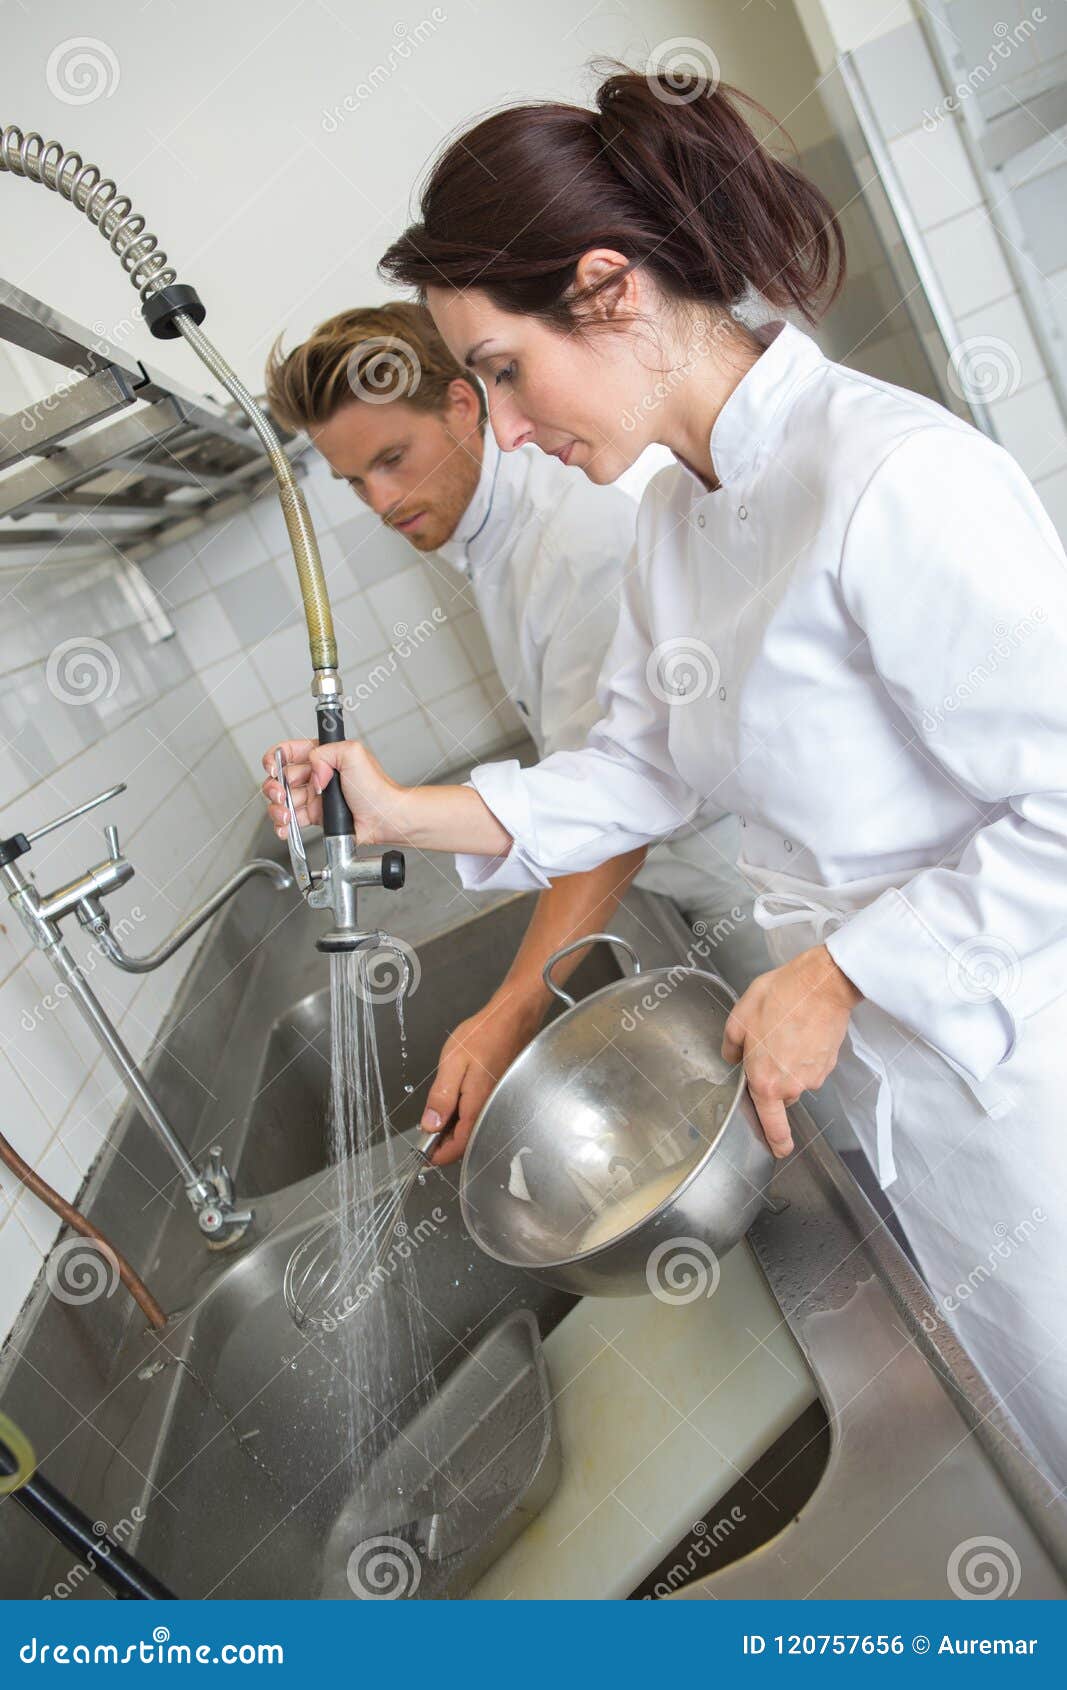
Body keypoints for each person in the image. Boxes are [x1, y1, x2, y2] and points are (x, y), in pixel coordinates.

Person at [262, 71, 1067, 1489]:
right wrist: (398, 810)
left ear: (609, 291)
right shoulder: (676, 523)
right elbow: (634, 768)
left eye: (501, 370)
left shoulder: (889, 478)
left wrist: (838, 974)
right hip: (898, 1088)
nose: (498, 428)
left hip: (1023, 1094)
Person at [264, 302, 765, 1165]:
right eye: (353, 481)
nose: (380, 501)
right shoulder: (495, 534)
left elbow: (620, 807)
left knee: (837, 1167)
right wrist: (387, 810)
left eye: (392, 460)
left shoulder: (574, 544)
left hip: (746, 891)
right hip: (692, 879)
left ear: (463, 407)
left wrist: (510, 1011)